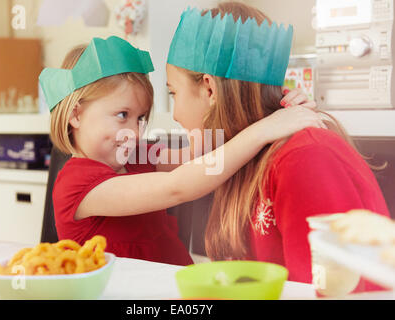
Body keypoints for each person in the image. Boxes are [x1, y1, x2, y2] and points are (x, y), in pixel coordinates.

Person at [165, 1, 391, 290]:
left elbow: (320, 292)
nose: (174, 115)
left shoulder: (305, 158)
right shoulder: (242, 155)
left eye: (173, 93)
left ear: (209, 89)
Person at [40, 36, 321, 266]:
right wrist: (263, 130)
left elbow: (202, 153)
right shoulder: (76, 186)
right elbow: (178, 187)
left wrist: (270, 107)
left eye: (140, 118)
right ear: (75, 115)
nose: (136, 132)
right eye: (122, 114)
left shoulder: (137, 155)